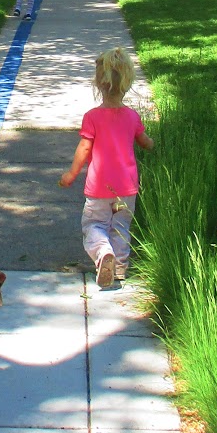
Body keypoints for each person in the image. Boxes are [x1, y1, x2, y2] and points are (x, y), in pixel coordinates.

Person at [58, 46, 154, 289]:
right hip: (127, 188)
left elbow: (84, 148)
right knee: (120, 227)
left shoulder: (92, 117)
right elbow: (145, 142)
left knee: (94, 225)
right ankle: (119, 269)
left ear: (99, 84)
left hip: (100, 187)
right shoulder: (132, 116)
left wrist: (71, 174)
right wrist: (152, 143)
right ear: (127, 83)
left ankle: (103, 254)